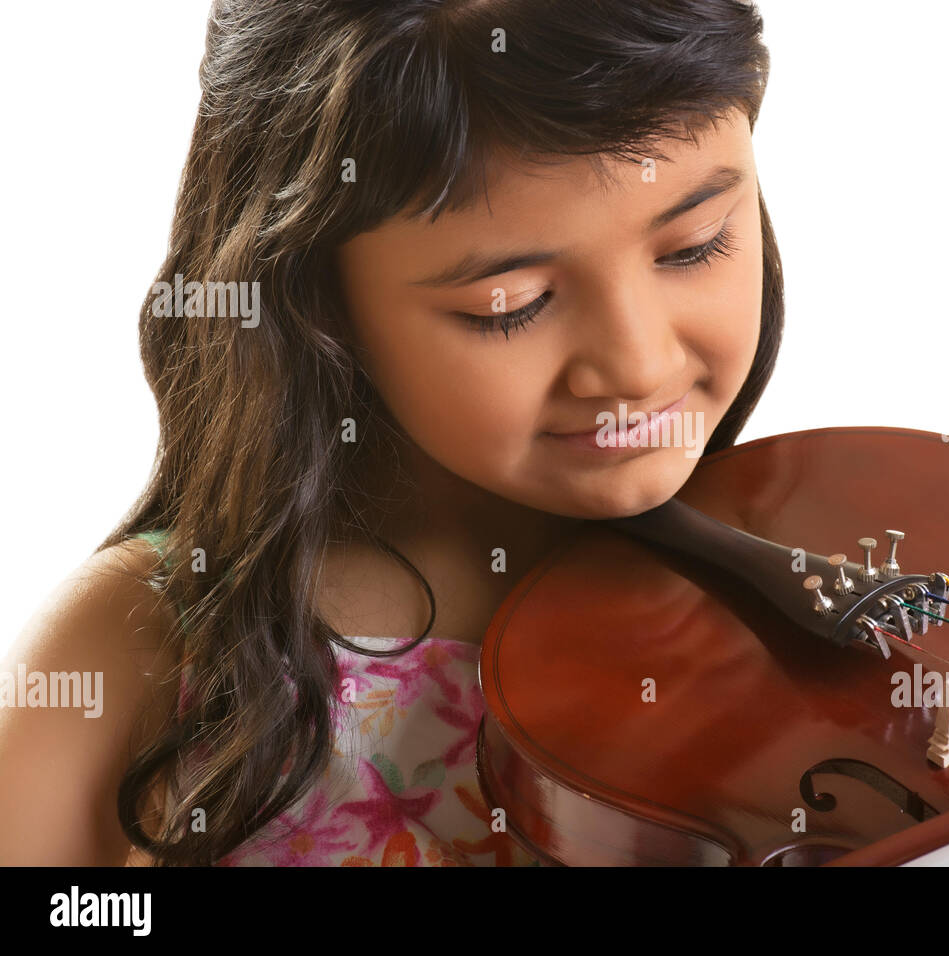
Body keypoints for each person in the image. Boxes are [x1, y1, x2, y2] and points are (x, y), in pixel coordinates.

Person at [0, 0, 784, 865]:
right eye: (509, 306)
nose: (636, 365)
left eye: (694, 246)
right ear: (315, 305)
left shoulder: (794, 570)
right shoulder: (141, 649)